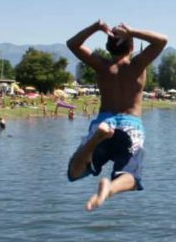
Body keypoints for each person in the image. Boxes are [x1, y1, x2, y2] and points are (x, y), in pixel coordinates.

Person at [66, 19, 168, 211]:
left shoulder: (102, 66)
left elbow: (72, 44)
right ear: (131, 47)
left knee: (75, 172)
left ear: (108, 48)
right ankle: (110, 189)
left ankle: (94, 141)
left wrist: (95, 27)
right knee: (131, 177)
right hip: (131, 124)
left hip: (104, 122)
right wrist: (132, 31)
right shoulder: (137, 65)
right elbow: (162, 40)